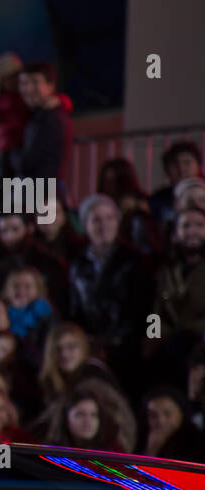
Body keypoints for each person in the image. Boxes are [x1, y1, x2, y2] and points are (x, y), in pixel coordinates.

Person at [67, 193, 152, 390]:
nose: (103, 225)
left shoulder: (137, 260)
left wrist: (151, 338)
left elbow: (151, 308)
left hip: (129, 346)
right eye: (96, 220)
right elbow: (74, 309)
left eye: (109, 218)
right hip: (90, 345)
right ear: (85, 226)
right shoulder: (77, 264)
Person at [150, 204, 205, 385]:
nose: (192, 232)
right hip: (170, 347)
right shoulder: (165, 269)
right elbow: (156, 311)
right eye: (186, 226)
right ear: (175, 233)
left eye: (199, 225)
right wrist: (153, 337)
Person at [3, 61, 72, 198]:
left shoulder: (49, 119)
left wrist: (10, 150)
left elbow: (26, 162)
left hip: (38, 198)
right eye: (24, 83)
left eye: (35, 82)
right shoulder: (36, 116)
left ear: (51, 86)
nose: (28, 89)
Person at [149, 141, 202, 232]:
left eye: (187, 162)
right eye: (175, 164)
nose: (181, 168)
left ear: (198, 165)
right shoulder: (157, 200)